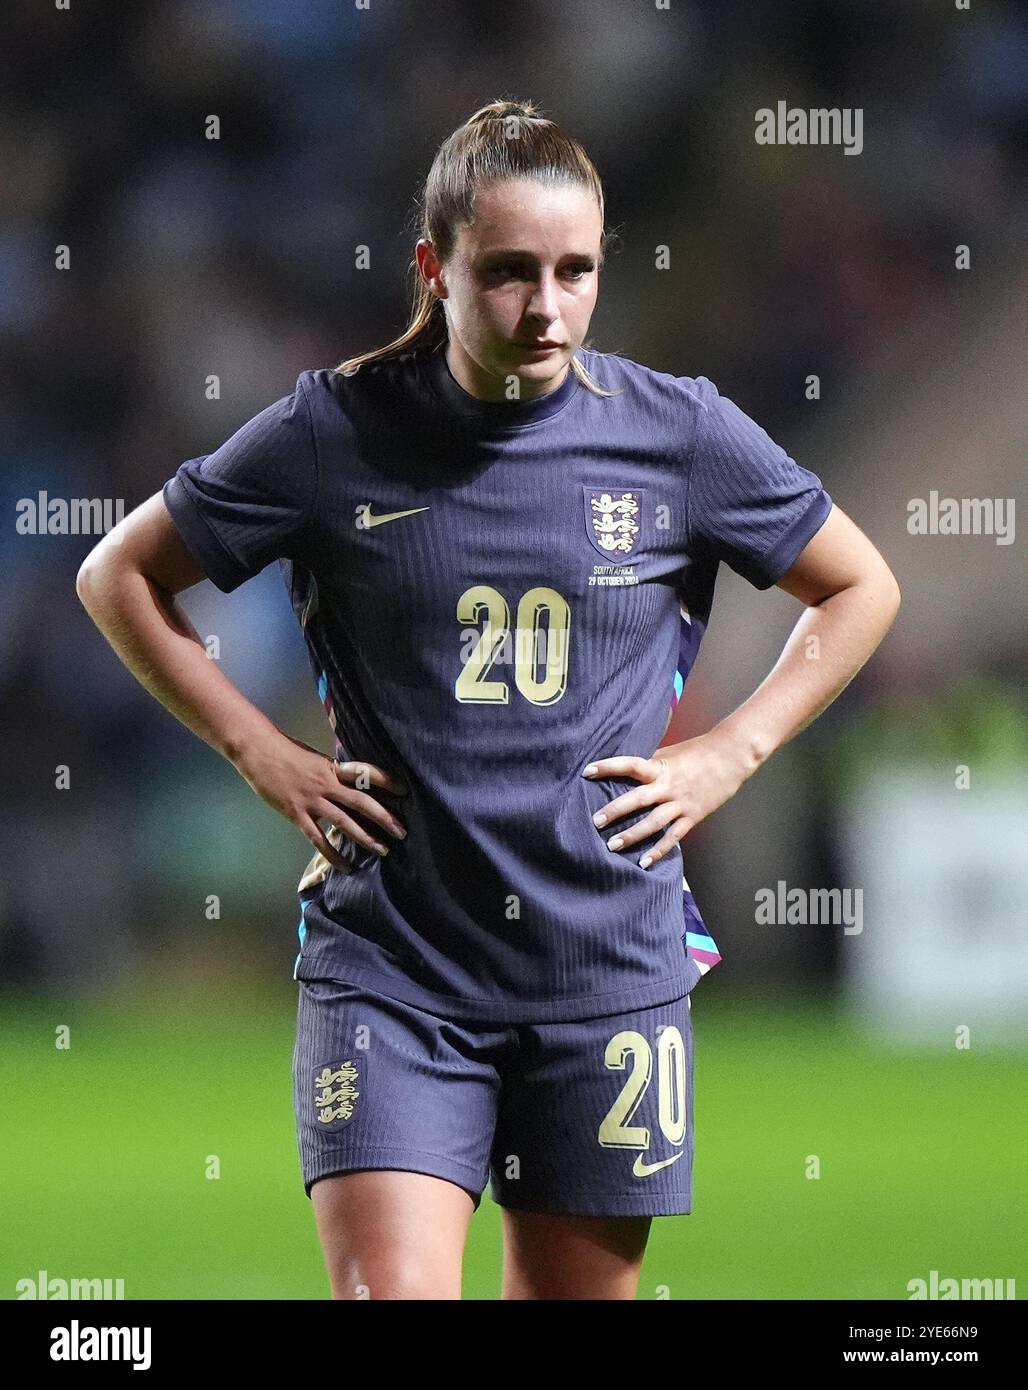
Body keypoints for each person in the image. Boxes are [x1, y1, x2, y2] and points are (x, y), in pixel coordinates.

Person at [76, 97, 900, 1300]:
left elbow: (860, 586)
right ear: (434, 268)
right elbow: (121, 574)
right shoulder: (331, 431)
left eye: (575, 271)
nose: (547, 306)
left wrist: (728, 752)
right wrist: (260, 751)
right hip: (395, 961)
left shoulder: (679, 434)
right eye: (509, 272)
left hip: (604, 961)